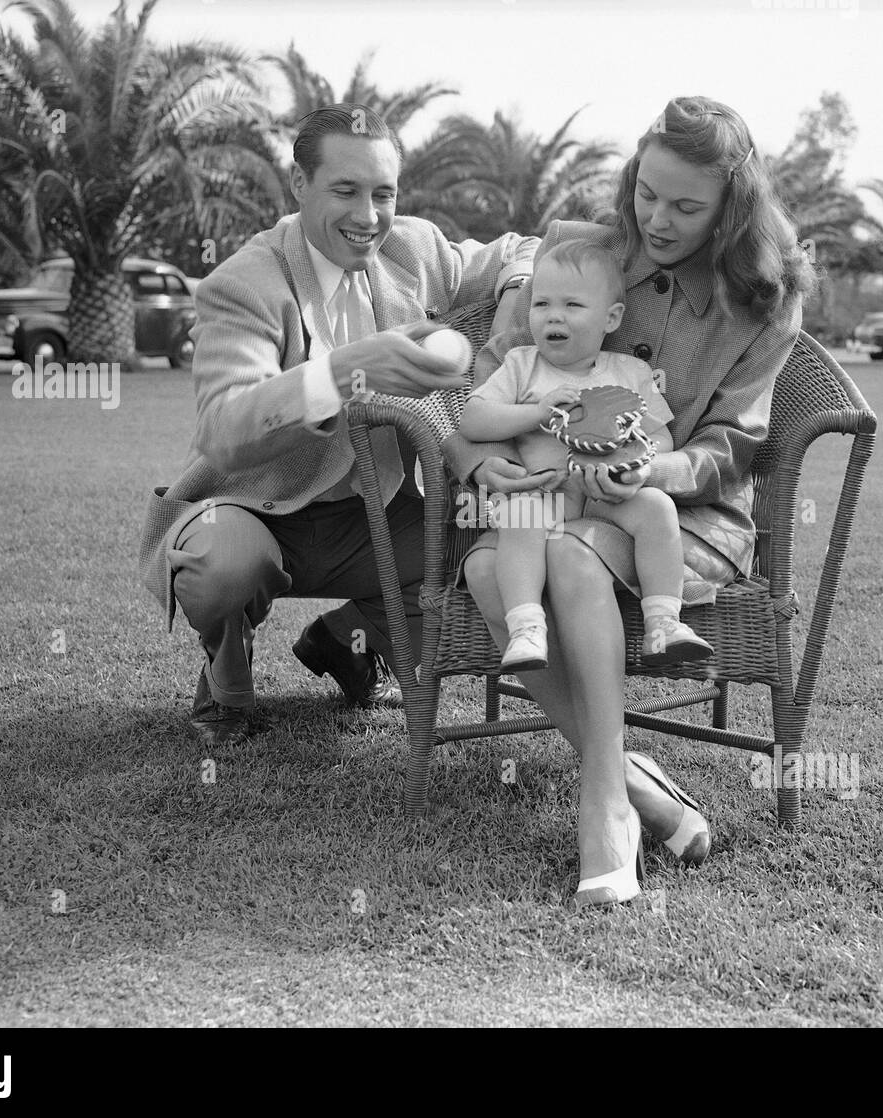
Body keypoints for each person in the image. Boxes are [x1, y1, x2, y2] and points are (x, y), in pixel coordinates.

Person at [444, 96, 817, 908]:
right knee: (485, 575)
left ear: (732, 208)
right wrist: (479, 465)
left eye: (687, 206)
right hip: (542, 501)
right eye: (647, 192)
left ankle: (603, 807)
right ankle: (635, 781)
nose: (657, 218)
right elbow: (487, 381)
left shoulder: (763, 296)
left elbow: (735, 444)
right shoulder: (578, 255)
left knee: (573, 565)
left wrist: (657, 471)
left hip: (677, 519)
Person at [138, 104, 537, 746]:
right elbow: (224, 426)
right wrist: (344, 370)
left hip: (375, 514)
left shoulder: (415, 248)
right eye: (345, 190)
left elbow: (525, 249)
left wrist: (516, 292)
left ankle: (346, 639)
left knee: (493, 542)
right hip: (258, 510)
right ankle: (226, 680)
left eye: (384, 193)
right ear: (299, 185)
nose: (369, 216)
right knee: (221, 566)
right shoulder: (244, 283)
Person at [459, 238, 713, 674]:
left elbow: (661, 439)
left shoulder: (629, 374)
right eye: (541, 304)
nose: (553, 315)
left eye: (572, 305)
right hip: (546, 492)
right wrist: (536, 412)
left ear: (611, 318)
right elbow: (473, 420)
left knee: (658, 507)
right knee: (521, 515)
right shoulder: (523, 365)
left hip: (604, 497)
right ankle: (525, 626)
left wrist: (633, 465)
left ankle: (663, 621)